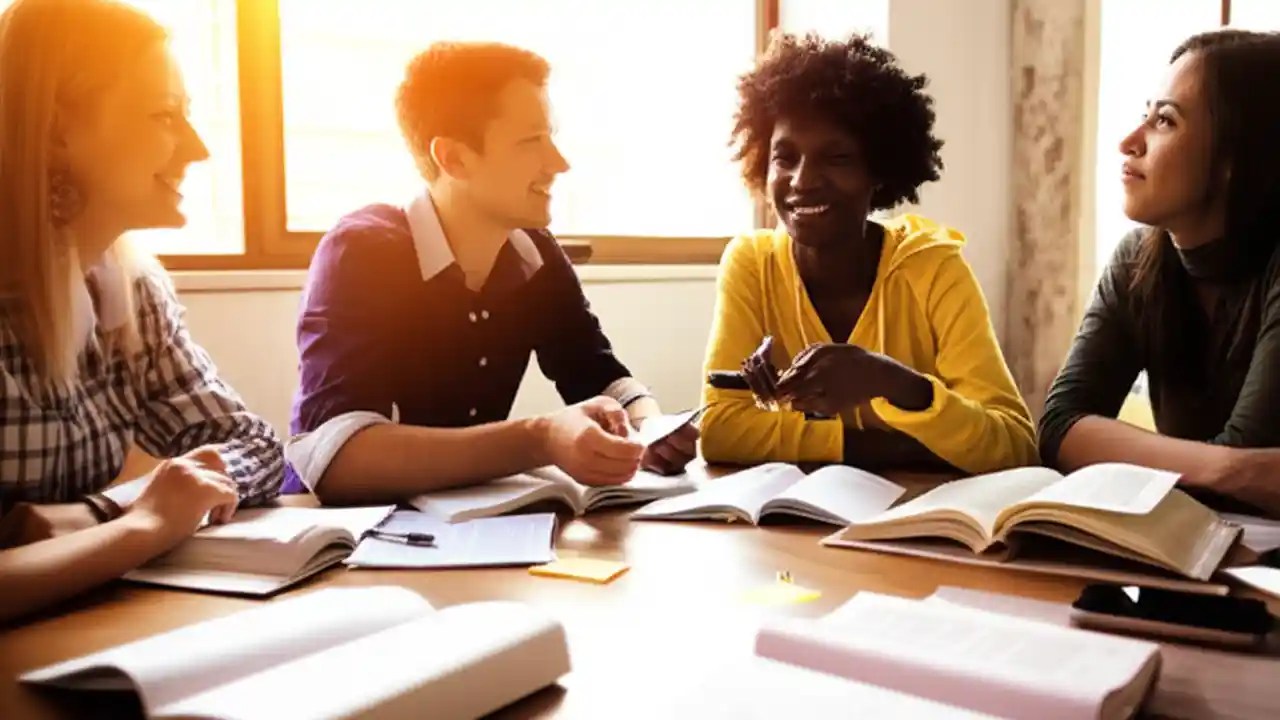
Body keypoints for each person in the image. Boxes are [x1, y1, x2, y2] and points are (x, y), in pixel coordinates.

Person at [286, 41, 697, 504]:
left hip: (467, 525)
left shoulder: (532, 251)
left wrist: (651, 426)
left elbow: (596, 372)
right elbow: (340, 460)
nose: (559, 163)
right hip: (338, 539)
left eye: (551, 137)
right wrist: (540, 438)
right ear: (454, 159)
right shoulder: (361, 250)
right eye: (530, 141)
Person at [0, 0, 284, 623]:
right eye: (165, 116)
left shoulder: (131, 290)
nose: (198, 148)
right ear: (55, 129)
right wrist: (144, 523)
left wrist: (105, 511)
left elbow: (255, 448)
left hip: (86, 627)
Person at [699, 32, 1036, 473]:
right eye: (785, 158)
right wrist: (896, 447)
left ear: (878, 170)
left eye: (836, 158)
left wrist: (893, 382)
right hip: (796, 529)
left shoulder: (934, 267)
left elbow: (1014, 445)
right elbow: (720, 429)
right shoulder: (750, 263)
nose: (802, 181)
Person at [1040, 30, 1280, 516]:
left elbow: (1251, 448)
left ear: (1232, 159)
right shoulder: (1137, 260)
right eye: (1144, 115)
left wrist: (1222, 469)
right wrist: (1232, 468)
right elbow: (1059, 427)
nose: (1129, 142)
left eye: (1165, 121)